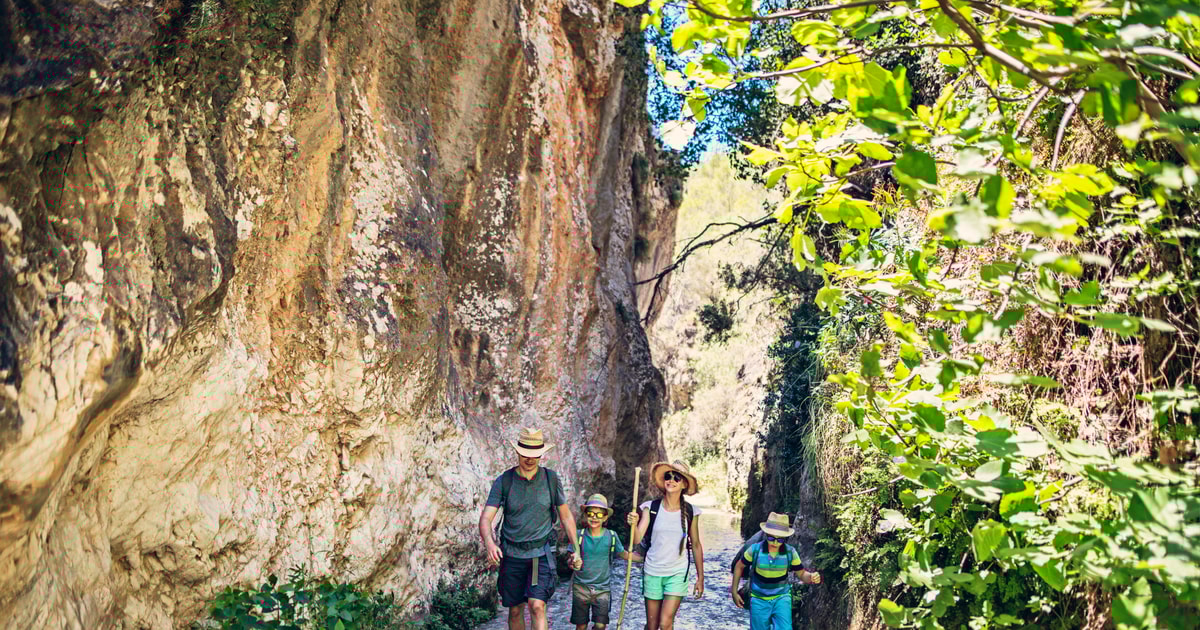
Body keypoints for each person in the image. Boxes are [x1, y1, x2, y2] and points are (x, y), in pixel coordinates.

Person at [479, 428, 582, 630]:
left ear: (541, 454)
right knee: (515, 609)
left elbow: (566, 515)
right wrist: (490, 544)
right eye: (526, 454)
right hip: (512, 553)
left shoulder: (551, 479)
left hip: (540, 554)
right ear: (517, 452)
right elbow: (485, 519)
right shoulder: (504, 481)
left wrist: (575, 547)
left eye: (535, 455)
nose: (530, 459)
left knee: (537, 606)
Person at [625, 460, 705, 630]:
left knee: (665, 623)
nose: (671, 480)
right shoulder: (650, 507)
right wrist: (633, 524)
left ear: (684, 484)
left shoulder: (691, 512)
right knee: (652, 625)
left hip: (677, 573)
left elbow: (696, 545)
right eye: (668, 476)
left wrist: (700, 578)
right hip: (653, 571)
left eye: (677, 478)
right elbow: (637, 540)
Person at [729, 512, 822, 630]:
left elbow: (802, 574)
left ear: (785, 538)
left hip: (781, 598)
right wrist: (734, 592)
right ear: (766, 534)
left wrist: (811, 577)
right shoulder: (755, 550)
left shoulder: (790, 553)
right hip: (759, 599)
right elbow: (739, 566)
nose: (775, 543)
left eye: (780, 540)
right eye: (771, 538)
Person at [569, 493, 643, 630]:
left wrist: (646, 559)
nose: (594, 517)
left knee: (601, 625)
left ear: (605, 517)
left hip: (603, 589)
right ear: (585, 515)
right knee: (581, 625)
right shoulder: (578, 536)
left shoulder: (612, 537)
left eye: (599, 514)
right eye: (591, 513)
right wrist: (573, 561)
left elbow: (625, 555)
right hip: (580, 588)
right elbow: (570, 559)